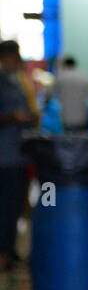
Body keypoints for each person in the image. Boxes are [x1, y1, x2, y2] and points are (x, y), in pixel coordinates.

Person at [0, 41, 36, 270]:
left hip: (18, 154)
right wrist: (13, 116)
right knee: (5, 206)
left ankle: (10, 251)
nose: (17, 60)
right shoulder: (2, 83)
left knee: (14, 206)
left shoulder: (17, 81)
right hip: (5, 156)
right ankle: (3, 253)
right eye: (14, 56)